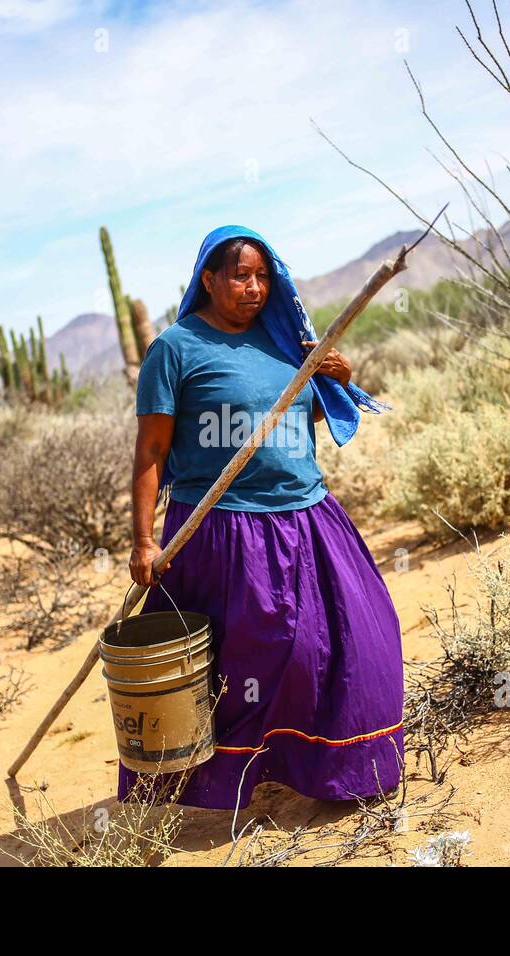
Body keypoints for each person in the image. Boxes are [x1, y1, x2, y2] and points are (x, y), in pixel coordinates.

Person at [123, 224, 404, 812]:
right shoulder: (174, 349)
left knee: (357, 639)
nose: (253, 289)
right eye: (240, 276)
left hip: (308, 517)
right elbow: (150, 452)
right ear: (208, 279)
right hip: (222, 528)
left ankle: (340, 767)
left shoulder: (284, 341)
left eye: (262, 277)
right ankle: (224, 783)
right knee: (253, 659)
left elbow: (293, 424)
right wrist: (144, 542)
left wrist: (338, 382)